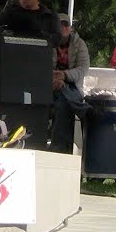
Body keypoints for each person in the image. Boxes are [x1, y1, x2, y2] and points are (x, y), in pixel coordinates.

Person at [49, 13, 90, 154]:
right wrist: (54, 78)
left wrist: (64, 75)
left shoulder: (79, 44)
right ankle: (84, 110)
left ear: (70, 28)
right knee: (64, 101)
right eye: (60, 24)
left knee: (63, 102)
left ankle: (58, 148)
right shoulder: (48, 42)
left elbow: (83, 68)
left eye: (66, 24)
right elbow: (40, 64)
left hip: (72, 85)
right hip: (49, 84)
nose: (63, 28)